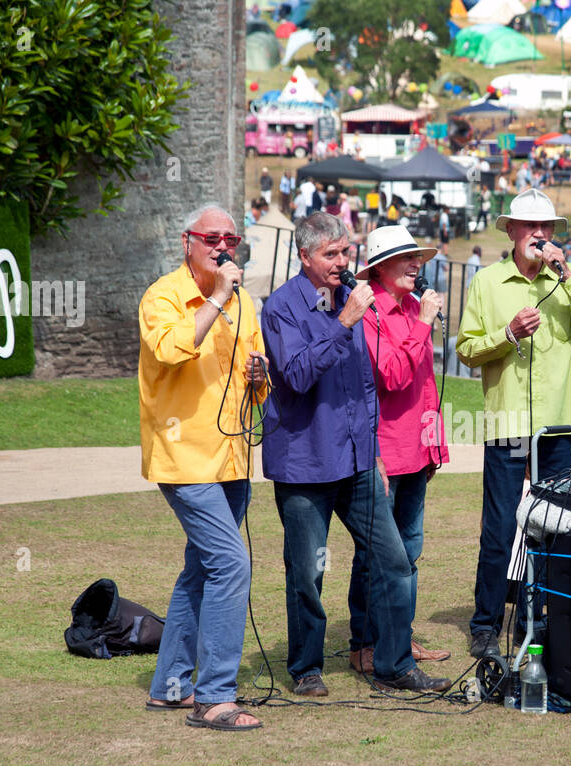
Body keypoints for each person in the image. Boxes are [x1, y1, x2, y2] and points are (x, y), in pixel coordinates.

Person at [260, 212, 453, 696]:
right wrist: (343, 323)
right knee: (308, 571)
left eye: (346, 252)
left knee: (393, 561)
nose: (342, 263)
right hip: (305, 464)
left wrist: (377, 454)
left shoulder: (353, 299)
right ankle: (305, 668)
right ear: (305, 257)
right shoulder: (282, 307)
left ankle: (394, 663)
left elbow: (369, 388)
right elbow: (299, 375)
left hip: (358, 461)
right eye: (331, 254)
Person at [456, 188, 571, 658]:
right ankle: (485, 623)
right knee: (500, 526)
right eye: (531, 227)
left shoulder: (570, 279)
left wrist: (570, 277)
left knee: (556, 528)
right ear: (512, 231)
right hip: (508, 423)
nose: (540, 236)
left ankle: (544, 615)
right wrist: (507, 335)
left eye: (547, 228)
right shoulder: (487, 282)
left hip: (559, 426)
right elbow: (465, 348)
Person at [139, 204, 268, 731]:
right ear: (187, 242)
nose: (223, 247)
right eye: (212, 238)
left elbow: (256, 383)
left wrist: (261, 376)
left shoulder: (245, 304)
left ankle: (170, 687)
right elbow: (172, 349)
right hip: (184, 459)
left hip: (232, 457)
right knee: (231, 566)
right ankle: (213, 696)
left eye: (231, 240)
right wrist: (216, 298)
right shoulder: (163, 295)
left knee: (202, 572)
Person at [345, 226, 452, 674]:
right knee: (376, 554)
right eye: (405, 258)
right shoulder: (371, 312)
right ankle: (365, 643)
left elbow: (425, 386)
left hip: (416, 449)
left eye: (417, 258)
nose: (416, 265)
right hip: (385, 451)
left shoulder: (412, 306)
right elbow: (390, 376)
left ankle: (399, 639)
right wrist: (424, 324)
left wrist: (434, 445)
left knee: (410, 548)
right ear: (379, 268)